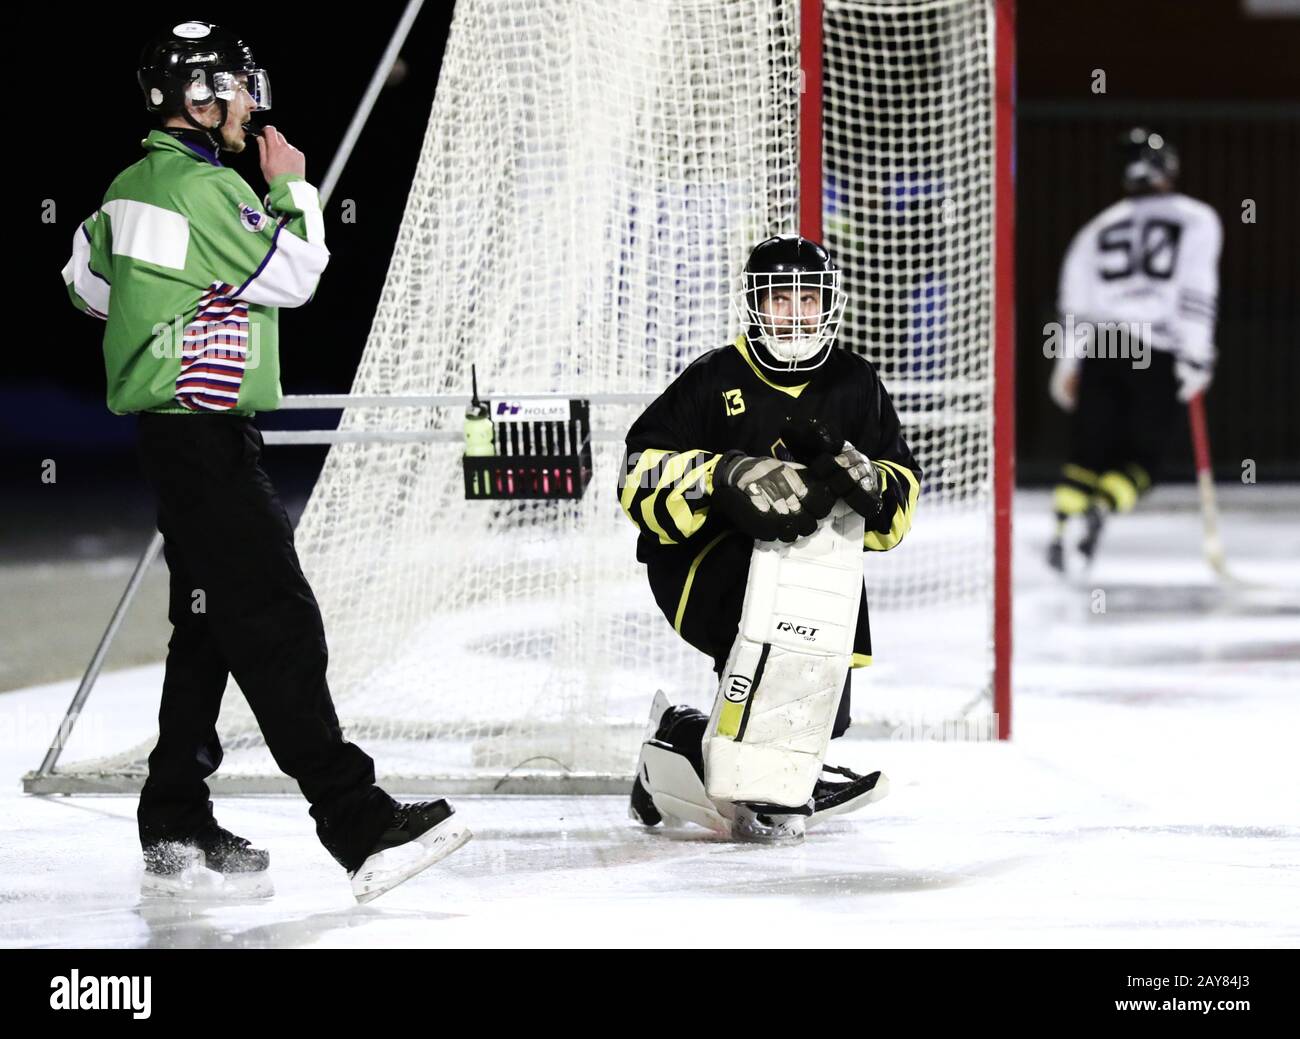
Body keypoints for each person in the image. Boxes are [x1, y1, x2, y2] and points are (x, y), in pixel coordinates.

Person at [60, 20, 469, 903]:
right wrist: (292, 191)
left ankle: (174, 815)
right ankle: (357, 822)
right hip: (207, 440)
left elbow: (85, 287)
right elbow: (297, 275)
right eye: (237, 88)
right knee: (277, 619)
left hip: (172, 436)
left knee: (207, 628)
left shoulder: (131, 186)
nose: (251, 103)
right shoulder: (209, 190)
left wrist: (164, 305)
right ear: (199, 97)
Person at [617, 234, 921, 841]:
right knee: (762, 656)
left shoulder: (855, 381)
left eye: (808, 299)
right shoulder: (713, 376)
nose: (796, 313)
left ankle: (689, 744)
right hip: (707, 563)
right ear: (756, 302)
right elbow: (635, 475)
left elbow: (899, 497)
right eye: (781, 298)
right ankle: (744, 760)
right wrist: (720, 473)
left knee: (819, 707)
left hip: (816, 567)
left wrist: (872, 482)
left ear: (829, 303)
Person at [1047, 128, 1222, 572]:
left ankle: (1062, 529)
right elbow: (1195, 291)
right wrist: (1195, 355)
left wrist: (1068, 362)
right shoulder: (1197, 218)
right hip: (1154, 346)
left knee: (1088, 451)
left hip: (1102, 345)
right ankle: (1103, 507)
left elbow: (1075, 304)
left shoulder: (1096, 228)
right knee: (1144, 457)